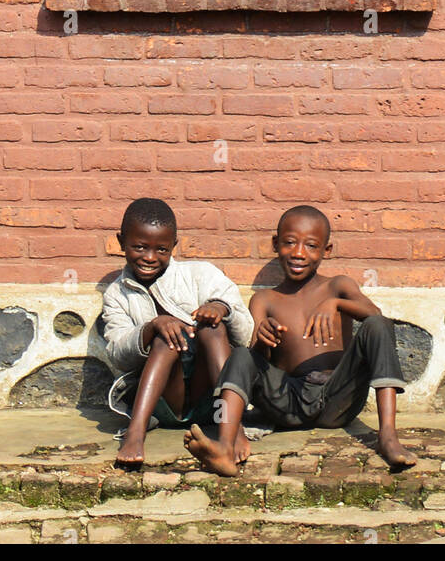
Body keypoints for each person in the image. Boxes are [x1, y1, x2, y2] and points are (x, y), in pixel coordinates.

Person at [184, 204, 417, 476]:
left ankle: (387, 435)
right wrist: (263, 340)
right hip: (287, 401)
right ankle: (224, 445)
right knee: (241, 356)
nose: (298, 253)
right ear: (275, 244)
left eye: (311, 246)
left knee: (377, 325)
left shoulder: (338, 286)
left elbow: (375, 316)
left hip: (336, 398)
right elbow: (258, 360)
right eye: (290, 243)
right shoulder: (265, 300)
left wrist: (336, 303)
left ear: (326, 251)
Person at [102, 197, 253, 468]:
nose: (149, 257)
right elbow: (118, 355)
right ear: (121, 241)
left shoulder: (200, 275)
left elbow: (246, 335)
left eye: (161, 249)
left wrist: (221, 308)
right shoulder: (117, 294)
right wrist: (150, 328)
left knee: (213, 330)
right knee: (166, 336)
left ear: (174, 245)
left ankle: (233, 429)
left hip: (211, 402)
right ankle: (135, 434)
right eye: (139, 247)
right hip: (163, 404)